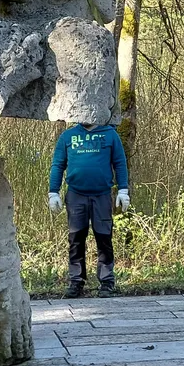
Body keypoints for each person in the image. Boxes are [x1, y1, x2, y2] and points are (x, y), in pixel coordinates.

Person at [48, 122, 130, 298]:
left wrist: (123, 190)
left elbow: (120, 163)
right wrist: (53, 192)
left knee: (104, 236)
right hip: (76, 195)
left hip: (102, 195)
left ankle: (107, 281)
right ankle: (76, 281)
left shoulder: (110, 135)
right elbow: (58, 164)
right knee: (76, 237)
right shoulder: (68, 136)